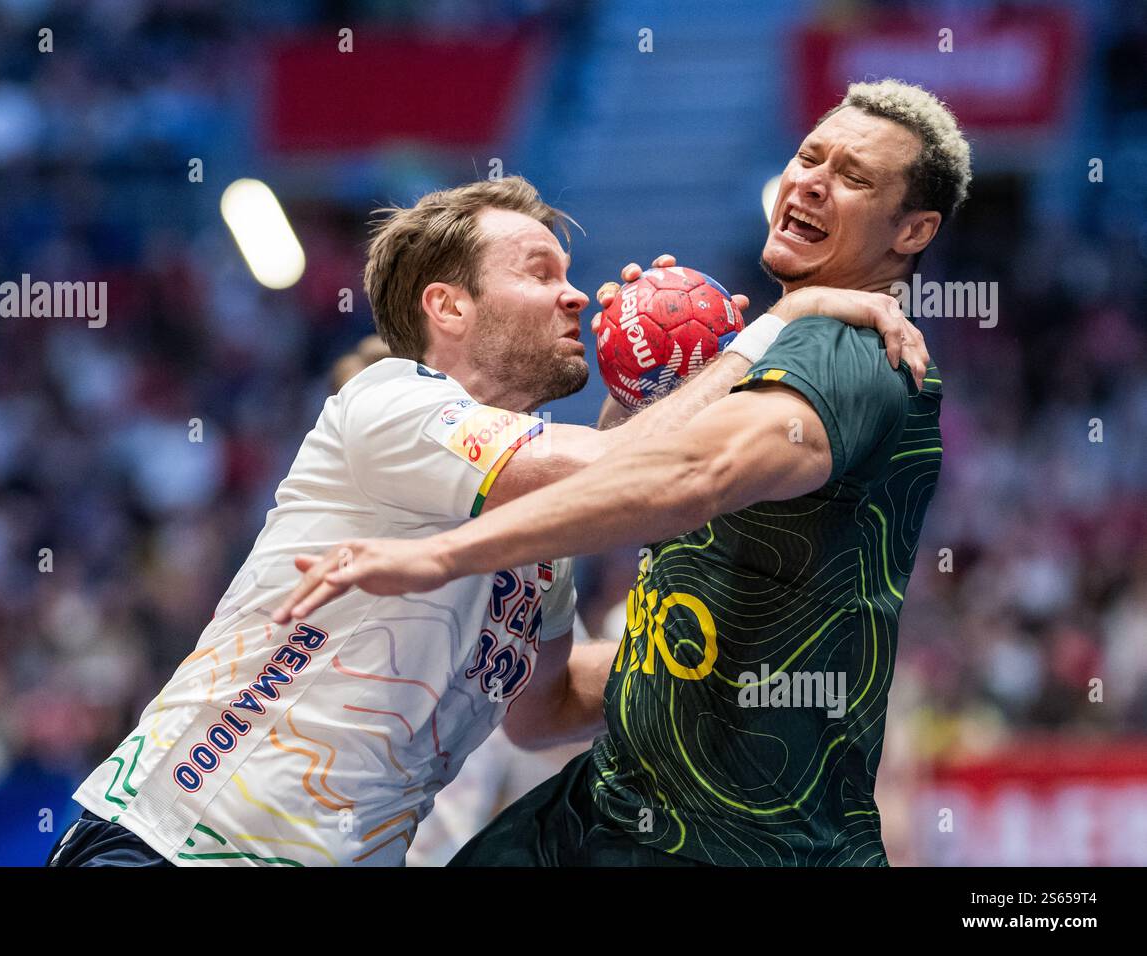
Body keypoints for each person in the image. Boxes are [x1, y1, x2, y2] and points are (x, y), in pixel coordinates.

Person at [49, 174, 924, 866]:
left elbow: (544, 709)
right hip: (175, 842)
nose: (577, 297)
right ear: (449, 307)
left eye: (570, 275)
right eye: (540, 273)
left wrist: (742, 649)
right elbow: (626, 468)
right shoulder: (386, 400)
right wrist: (768, 334)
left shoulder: (539, 536)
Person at [276, 78, 970, 866]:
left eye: (853, 177)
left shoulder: (843, 348)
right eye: (810, 155)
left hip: (727, 839)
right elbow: (573, 693)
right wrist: (642, 397)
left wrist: (443, 554)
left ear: (912, 229)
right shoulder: (772, 354)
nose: (811, 178)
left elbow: (689, 482)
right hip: (621, 800)